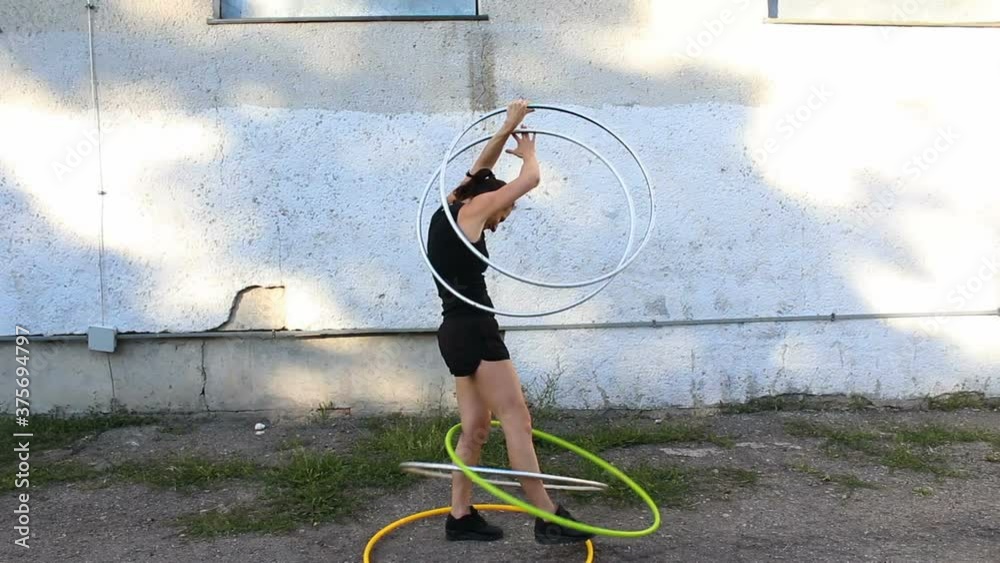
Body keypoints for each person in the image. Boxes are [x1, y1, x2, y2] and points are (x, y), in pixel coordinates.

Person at [426, 99, 594, 545]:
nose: (499, 224)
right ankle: (548, 515)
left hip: (452, 332)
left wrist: (509, 125)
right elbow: (530, 180)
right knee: (517, 420)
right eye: (503, 214)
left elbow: (481, 169)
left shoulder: (449, 208)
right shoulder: (474, 213)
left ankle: (459, 517)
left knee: (477, 430)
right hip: (478, 330)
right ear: (488, 203)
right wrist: (529, 154)